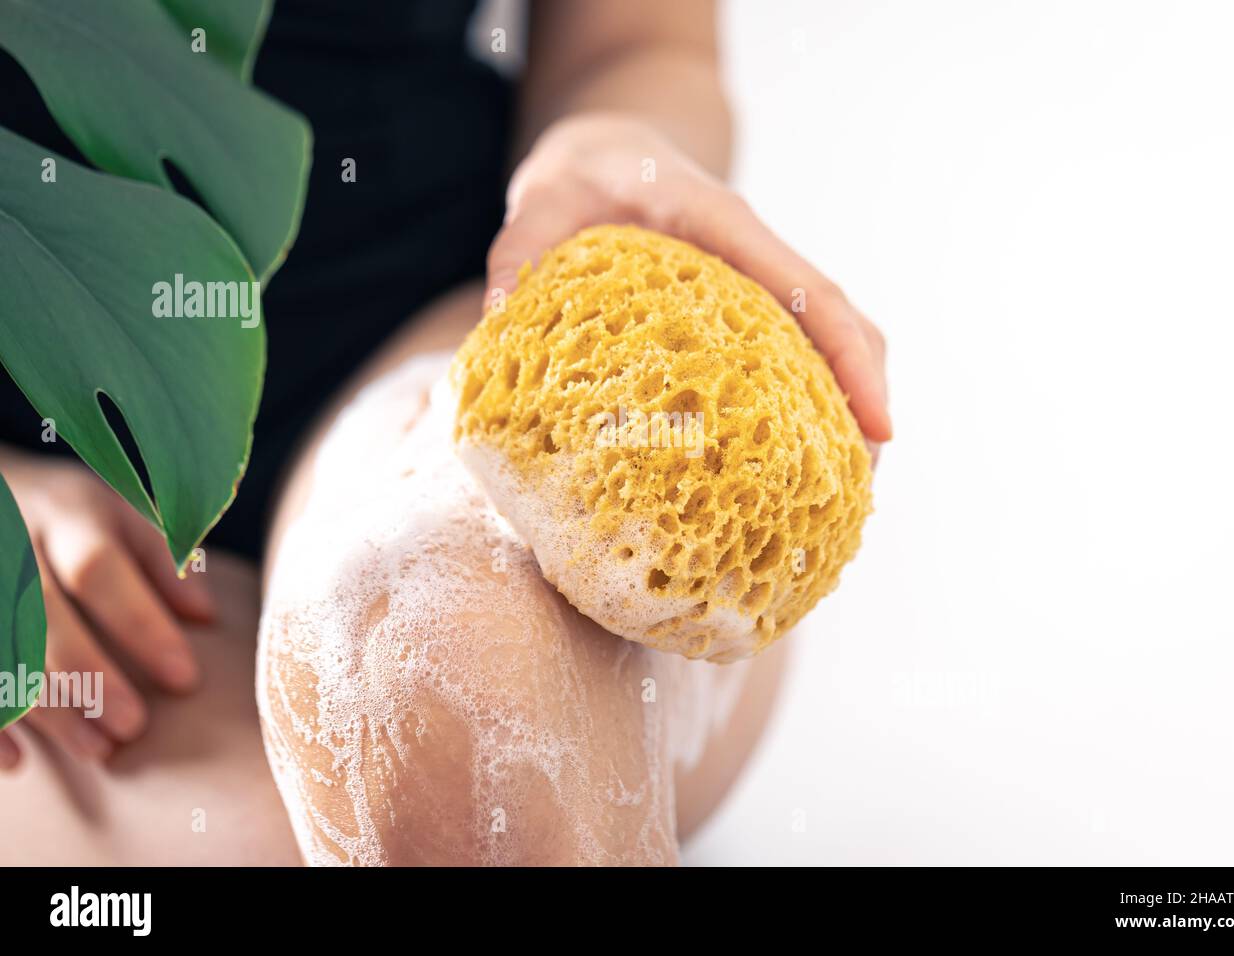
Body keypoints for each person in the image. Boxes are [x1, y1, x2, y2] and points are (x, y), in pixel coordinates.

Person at [0, 0, 889, 864]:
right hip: (55, 491)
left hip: (441, 329)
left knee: (460, 697)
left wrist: (616, 141)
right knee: (270, 838)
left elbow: (638, 40)